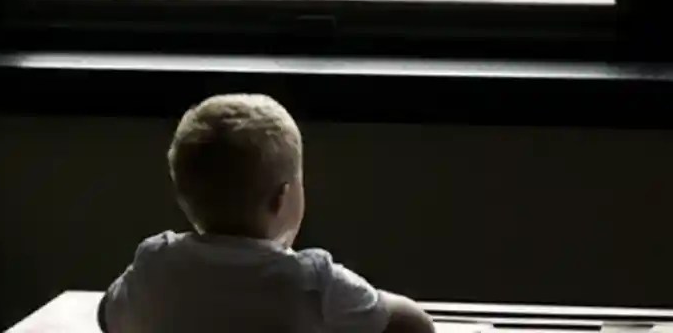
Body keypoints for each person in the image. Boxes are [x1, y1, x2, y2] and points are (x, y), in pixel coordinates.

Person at [98, 93, 435, 333]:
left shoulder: (155, 264)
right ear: (282, 197)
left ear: (184, 199)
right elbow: (415, 325)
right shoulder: (312, 282)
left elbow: (107, 316)